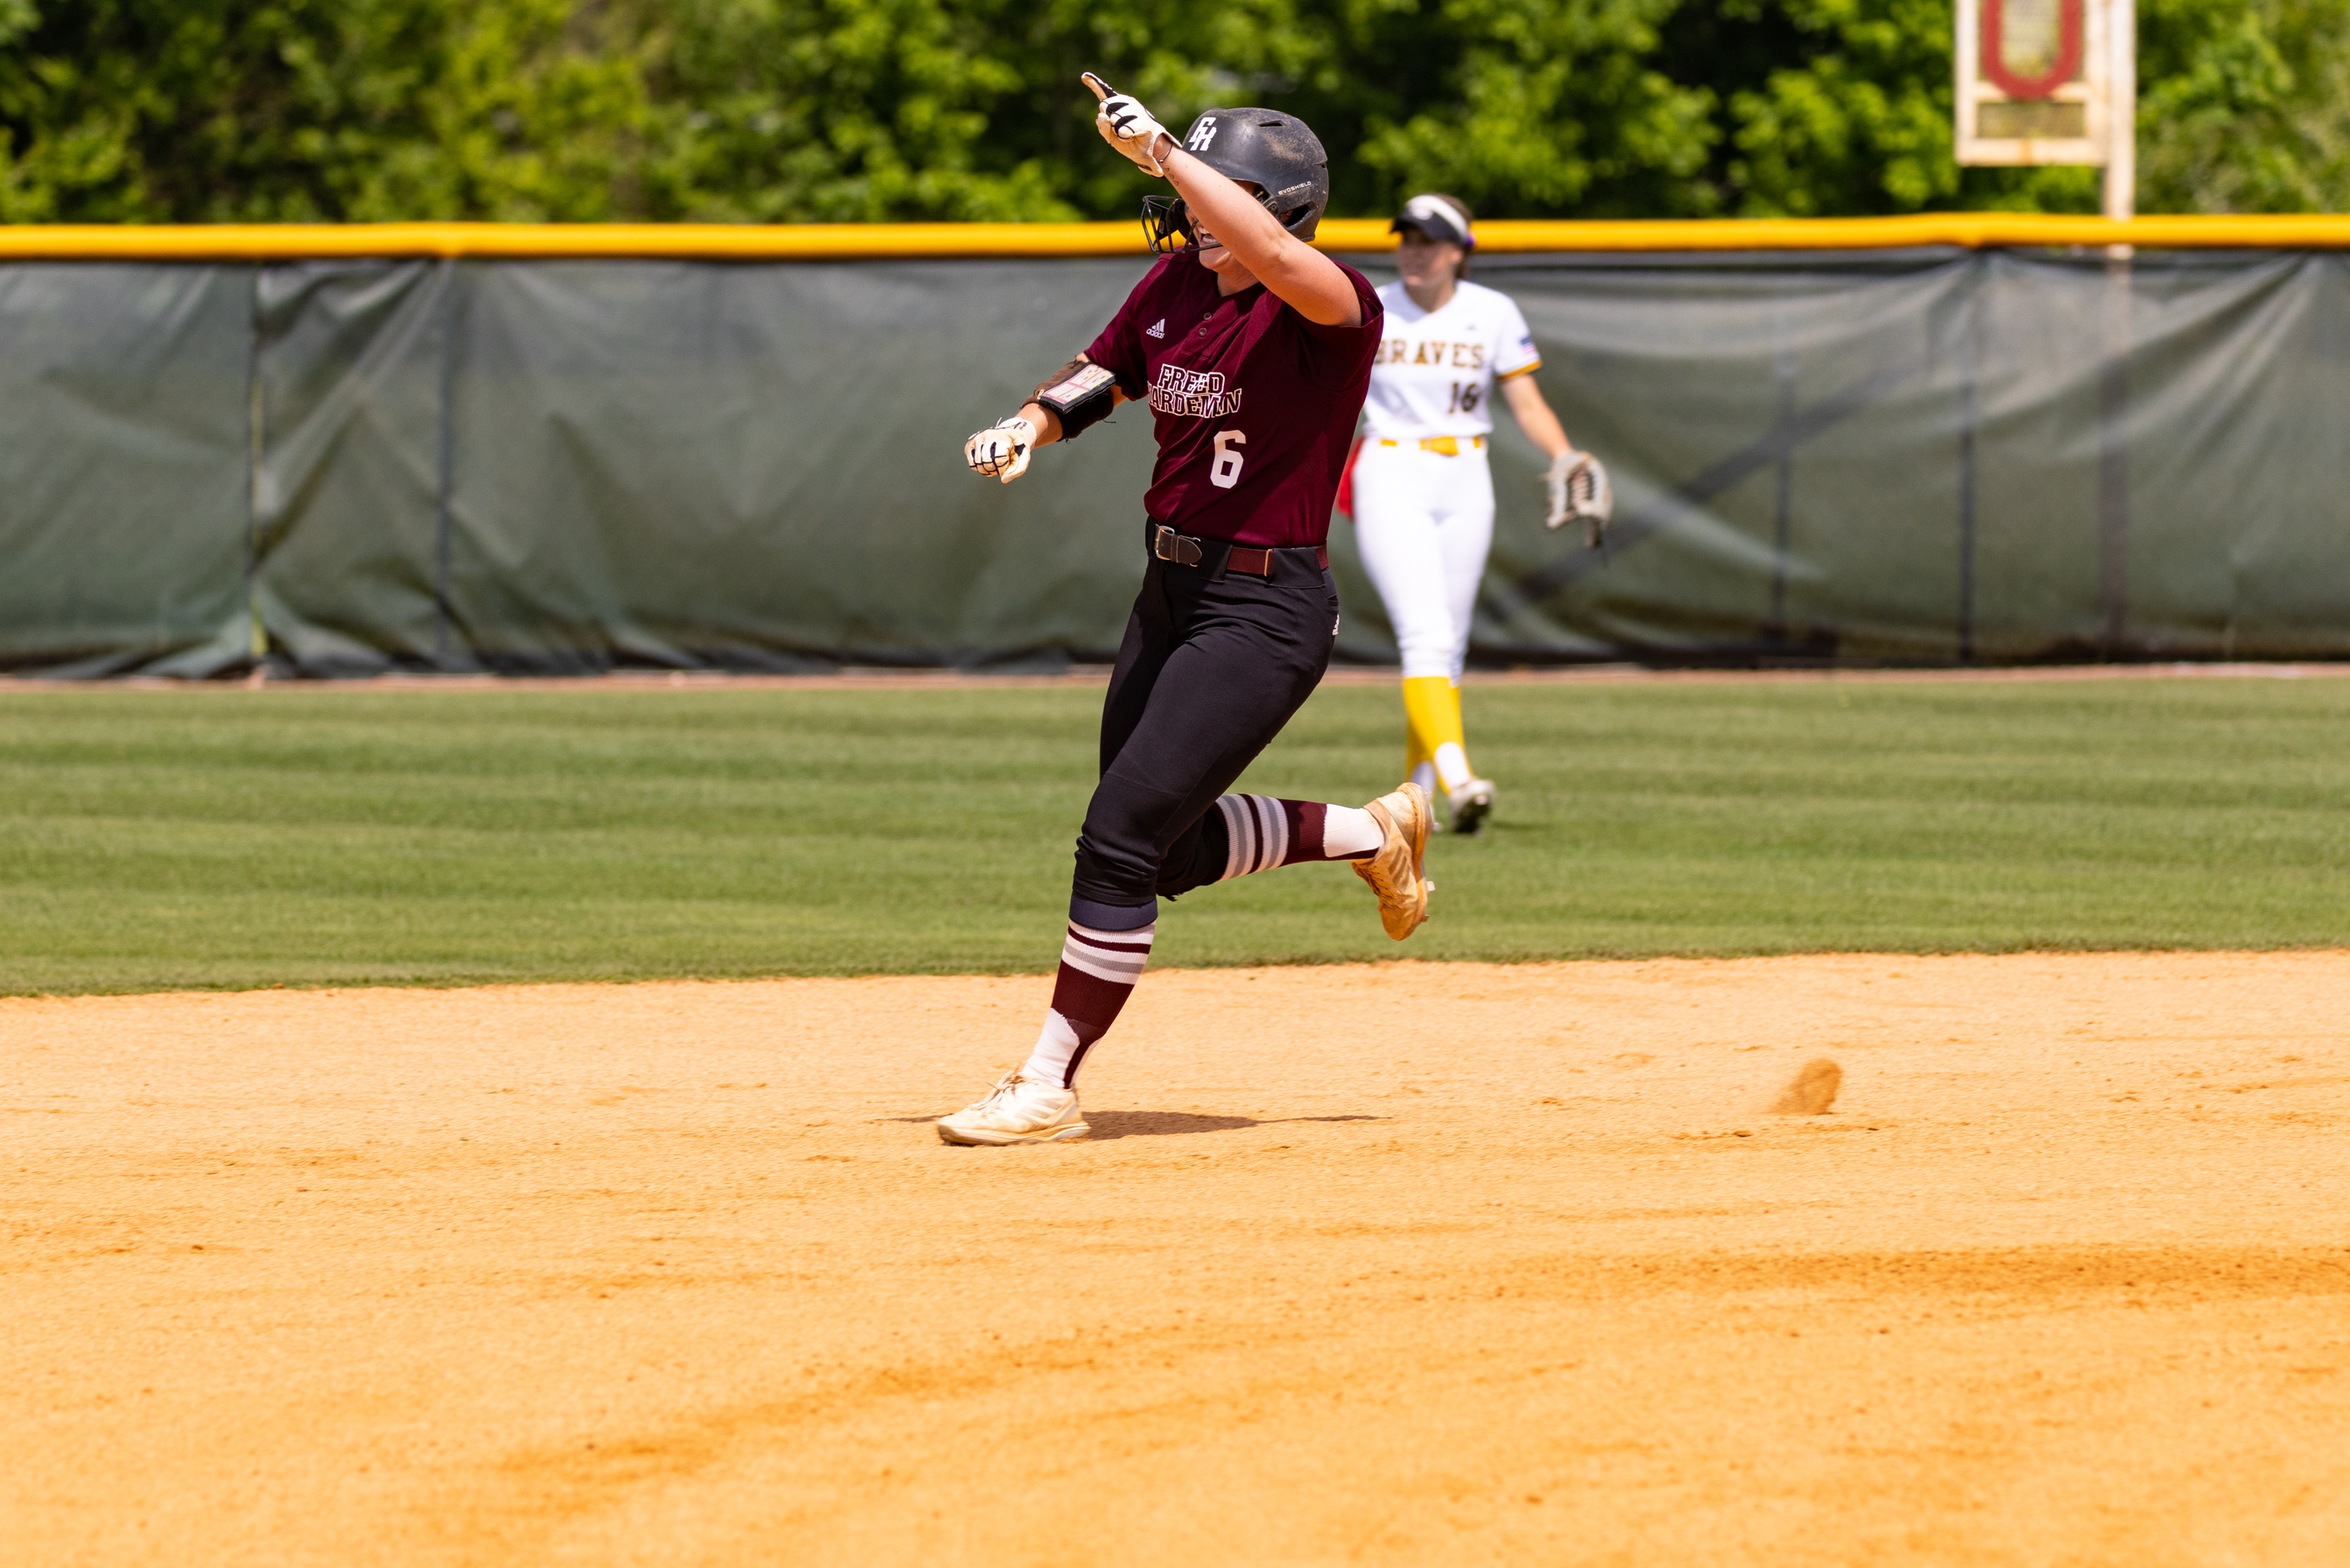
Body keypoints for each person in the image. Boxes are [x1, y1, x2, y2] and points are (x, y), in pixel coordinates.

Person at [936, 77, 1435, 1147]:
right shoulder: (1176, 284)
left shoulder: (1331, 302)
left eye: (1224, 198)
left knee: (1115, 836)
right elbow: (1105, 374)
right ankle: (1370, 830)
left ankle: (1046, 1083)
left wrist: (1167, 152)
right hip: (1170, 590)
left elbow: (1277, 257)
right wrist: (1028, 424)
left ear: (1283, 206)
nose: (1195, 217)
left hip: (1264, 606)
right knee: (1156, 849)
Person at [1346, 193, 1611, 834]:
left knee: (1447, 646)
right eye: (1406, 236)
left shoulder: (1491, 312)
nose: (1414, 249)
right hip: (1390, 467)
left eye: (1429, 239)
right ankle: (1461, 780)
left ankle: (1418, 796)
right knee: (1425, 635)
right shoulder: (1371, 305)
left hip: (1467, 473)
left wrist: (1564, 453)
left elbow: (1527, 403)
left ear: (1460, 250)